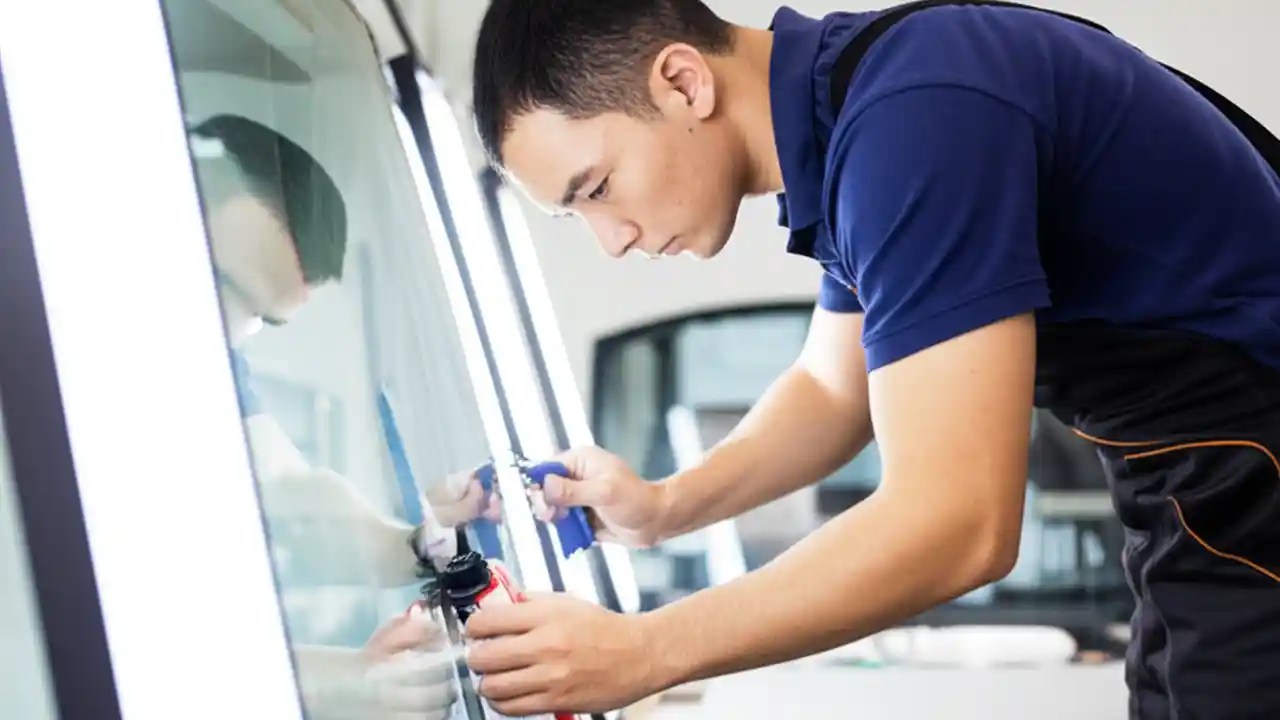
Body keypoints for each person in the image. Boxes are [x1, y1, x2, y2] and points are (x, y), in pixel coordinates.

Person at [465, 2, 1280, 718]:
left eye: (598, 188)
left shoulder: (919, 120)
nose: (613, 242)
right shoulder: (862, 111)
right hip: (1196, 495)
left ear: (683, 82)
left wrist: (646, 652)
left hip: (1254, 478)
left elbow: (958, 525)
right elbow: (832, 388)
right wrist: (665, 507)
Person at [189, 114, 493, 719]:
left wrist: (412, 544)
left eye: (259, 320)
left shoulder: (215, 364)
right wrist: (342, 683)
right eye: (221, 289)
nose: (226, 332)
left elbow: (289, 500)